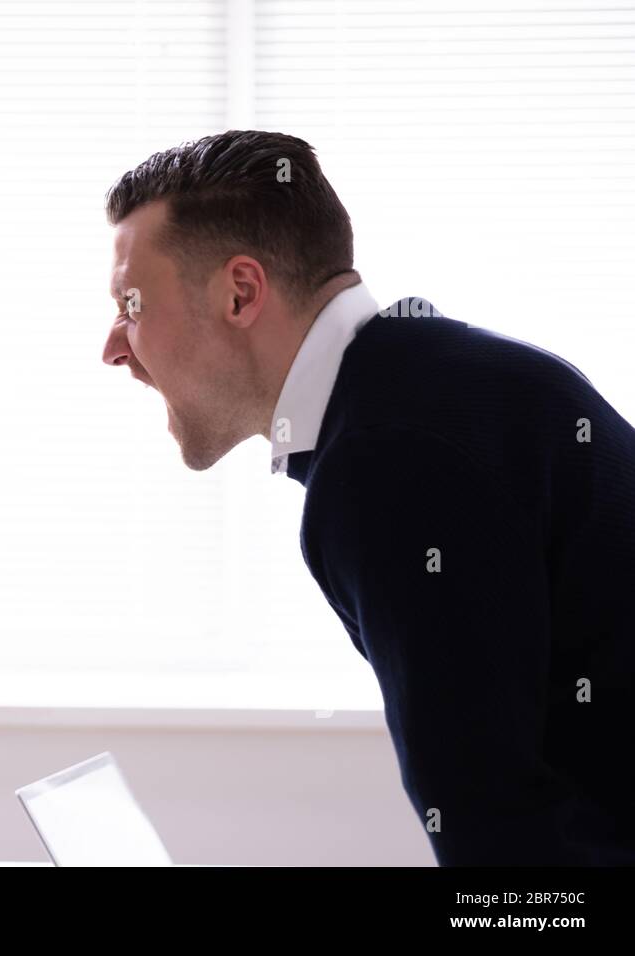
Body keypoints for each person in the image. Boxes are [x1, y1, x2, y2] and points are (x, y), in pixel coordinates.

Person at [100, 129, 635, 865]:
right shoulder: (427, 388)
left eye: (131, 302)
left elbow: (501, 839)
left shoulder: (387, 463)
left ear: (240, 292)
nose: (114, 345)